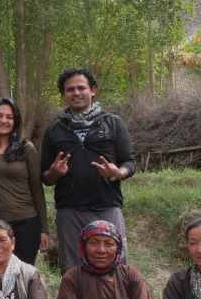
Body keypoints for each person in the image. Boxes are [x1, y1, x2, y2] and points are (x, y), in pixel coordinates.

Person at [40, 68, 136, 270]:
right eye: (70, 90)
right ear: (63, 95)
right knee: (74, 271)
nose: (76, 93)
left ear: (93, 90)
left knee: (115, 267)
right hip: (69, 211)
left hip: (107, 206)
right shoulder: (54, 130)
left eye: (81, 88)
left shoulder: (113, 123)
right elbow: (45, 177)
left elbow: (130, 162)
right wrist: (54, 173)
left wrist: (118, 173)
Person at [0, 97, 47, 264]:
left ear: (15, 121)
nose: (3, 120)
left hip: (26, 222)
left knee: (23, 275)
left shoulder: (26, 148)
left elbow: (37, 189)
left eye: (9, 117)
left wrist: (44, 229)